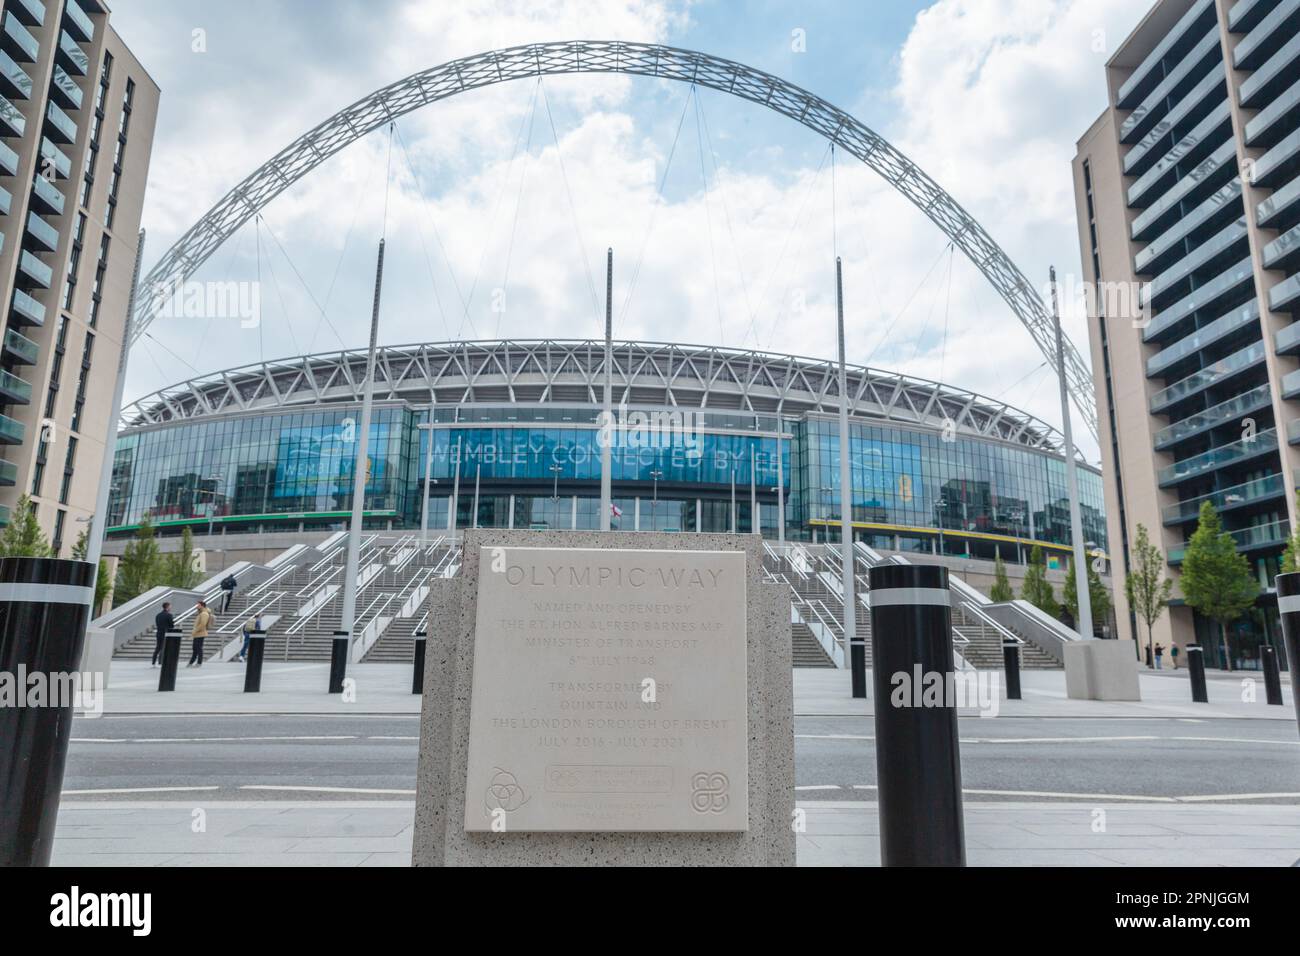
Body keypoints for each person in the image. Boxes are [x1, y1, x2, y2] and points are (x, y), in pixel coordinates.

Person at [188, 600, 213, 667]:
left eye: (198, 605)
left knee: (198, 648)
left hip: (200, 633)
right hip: (198, 633)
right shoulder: (201, 613)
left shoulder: (204, 613)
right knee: (195, 648)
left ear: (202, 606)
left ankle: (198, 663)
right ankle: (191, 662)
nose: (197, 606)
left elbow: (202, 624)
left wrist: (195, 631)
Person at [153, 602, 175, 667]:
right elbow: (171, 625)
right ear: (167, 607)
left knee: (158, 647)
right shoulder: (169, 615)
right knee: (164, 648)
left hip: (159, 633)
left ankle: (153, 662)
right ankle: (160, 662)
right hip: (165, 633)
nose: (171, 608)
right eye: (170, 606)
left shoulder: (158, 615)